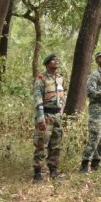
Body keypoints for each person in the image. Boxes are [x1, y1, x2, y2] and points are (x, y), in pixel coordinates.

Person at [32, 54, 66, 183]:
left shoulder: (60, 78)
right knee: (41, 144)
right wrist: (40, 117)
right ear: (47, 63)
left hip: (57, 115)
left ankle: (53, 170)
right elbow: (38, 98)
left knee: (56, 145)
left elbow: (63, 94)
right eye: (53, 60)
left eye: (57, 59)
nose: (56, 61)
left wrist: (61, 111)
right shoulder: (41, 78)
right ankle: (37, 173)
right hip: (46, 115)